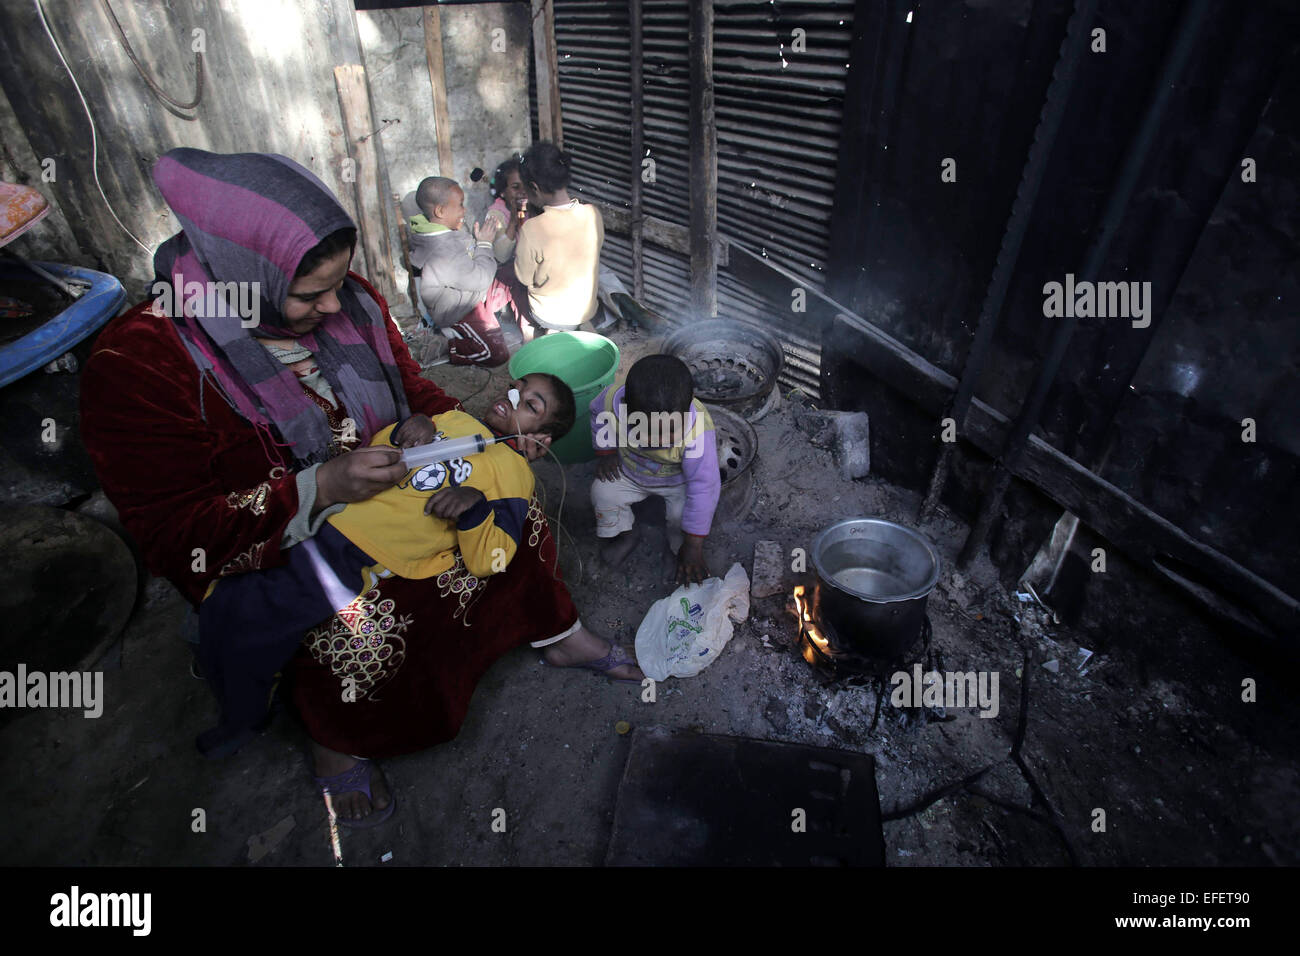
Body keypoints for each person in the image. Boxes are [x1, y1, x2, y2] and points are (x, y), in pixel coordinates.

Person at [80, 148, 641, 828]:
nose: (329, 306)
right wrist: (318, 486)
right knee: (372, 619)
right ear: (241, 270)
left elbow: (417, 390)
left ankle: (555, 631)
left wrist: (436, 423)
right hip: (285, 539)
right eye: (308, 293)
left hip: (407, 480)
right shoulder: (139, 362)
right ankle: (338, 737)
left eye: (336, 287)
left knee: (515, 510)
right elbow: (175, 537)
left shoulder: (355, 298)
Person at [196, 374, 576, 767]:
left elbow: (491, 560)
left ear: (541, 441)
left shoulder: (515, 475)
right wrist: (408, 430)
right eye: (517, 385)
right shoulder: (453, 419)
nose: (511, 396)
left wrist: (475, 507)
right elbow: (379, 453)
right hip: (330, 517)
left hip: (355, 555)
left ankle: (244, 716)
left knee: (251, 621)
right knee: (228, 593)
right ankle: (222, 653)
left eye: (530, 405)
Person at [591, 354, 720, 585]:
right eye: (647, 431)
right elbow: (598, 417)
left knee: (682, 516)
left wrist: (693, 545)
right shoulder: (611, 401)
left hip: (676, 482)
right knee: (602, 492)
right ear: (626, 409)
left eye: (671, 430)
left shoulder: (698, 432)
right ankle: (627, 535)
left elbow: (704, 488)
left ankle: (678, 551)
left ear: (688, 405)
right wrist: (606, 452)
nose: (659, 441)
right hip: (629, 473)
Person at [406, 175, 512, 367]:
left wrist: (479, 243)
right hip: (460, 310)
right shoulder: (442, 251)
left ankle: (491, 312)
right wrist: (485, 243)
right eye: (461, 205)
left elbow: (468, 260)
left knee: (511, 274)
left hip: (469, 290)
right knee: (497, 354)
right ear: (440, 211)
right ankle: (446, 344)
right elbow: (479, 278)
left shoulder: (442, 229)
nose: (464, 210)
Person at [512, 142, 604, 332]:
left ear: (534, 188)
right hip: (586, 310)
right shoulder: (592, 213)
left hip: (550, 316)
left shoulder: (531, 228)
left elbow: (524, 278)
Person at [483, 156, 533, 265]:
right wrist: (513, 222)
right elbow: (501, 256)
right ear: (502, 192)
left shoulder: (534, 210)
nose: (523, 192)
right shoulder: (495, 215)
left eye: (526, 186)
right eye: (515, 187)